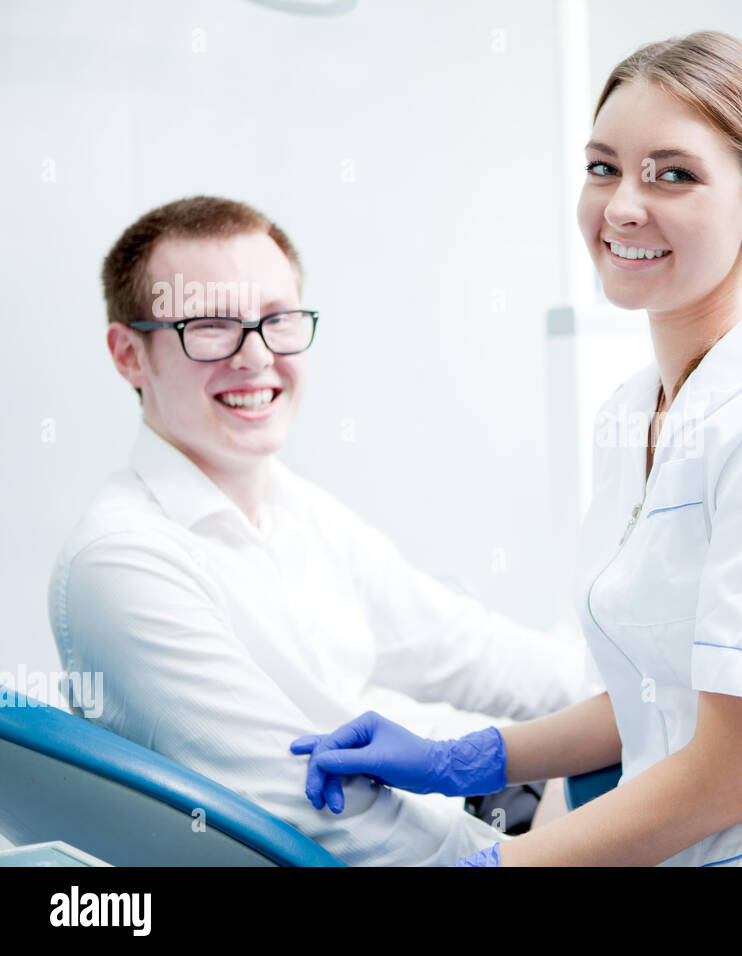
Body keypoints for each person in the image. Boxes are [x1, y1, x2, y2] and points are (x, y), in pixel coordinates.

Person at [294, 30, 742, 866]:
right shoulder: (637, 414)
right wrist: (462, 759)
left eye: (673, 173)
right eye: (605, 168)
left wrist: (499, 863)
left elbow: (730, 776)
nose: (624, 206)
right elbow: (657, 699)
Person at [49, 196, 594, 865]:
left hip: (510, 811)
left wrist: (630, 693)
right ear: (129, 355)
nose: (256, 359)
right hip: (476, 843)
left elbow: (469, 649)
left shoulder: (295, 507)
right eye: (211, 326)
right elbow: (318, 814)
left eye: (278, 321)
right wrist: (553, 858)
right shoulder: (123, 562)